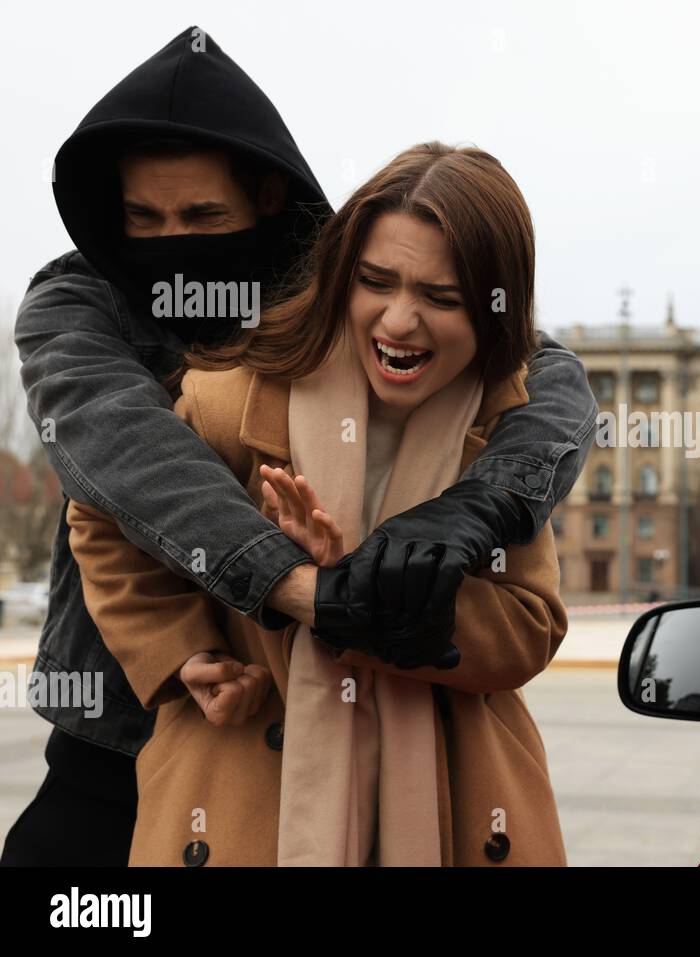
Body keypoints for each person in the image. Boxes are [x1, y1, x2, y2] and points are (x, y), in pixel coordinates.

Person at [1, 27, 594, 866]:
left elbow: (546, 374)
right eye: (144, 219)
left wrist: (479, 506)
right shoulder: (79, 300)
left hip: (348, 753)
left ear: (269, 198)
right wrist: (307, 591)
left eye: (203, 216)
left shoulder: (334, 292)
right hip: (115, 726)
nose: (173, 244)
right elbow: (124, 463)